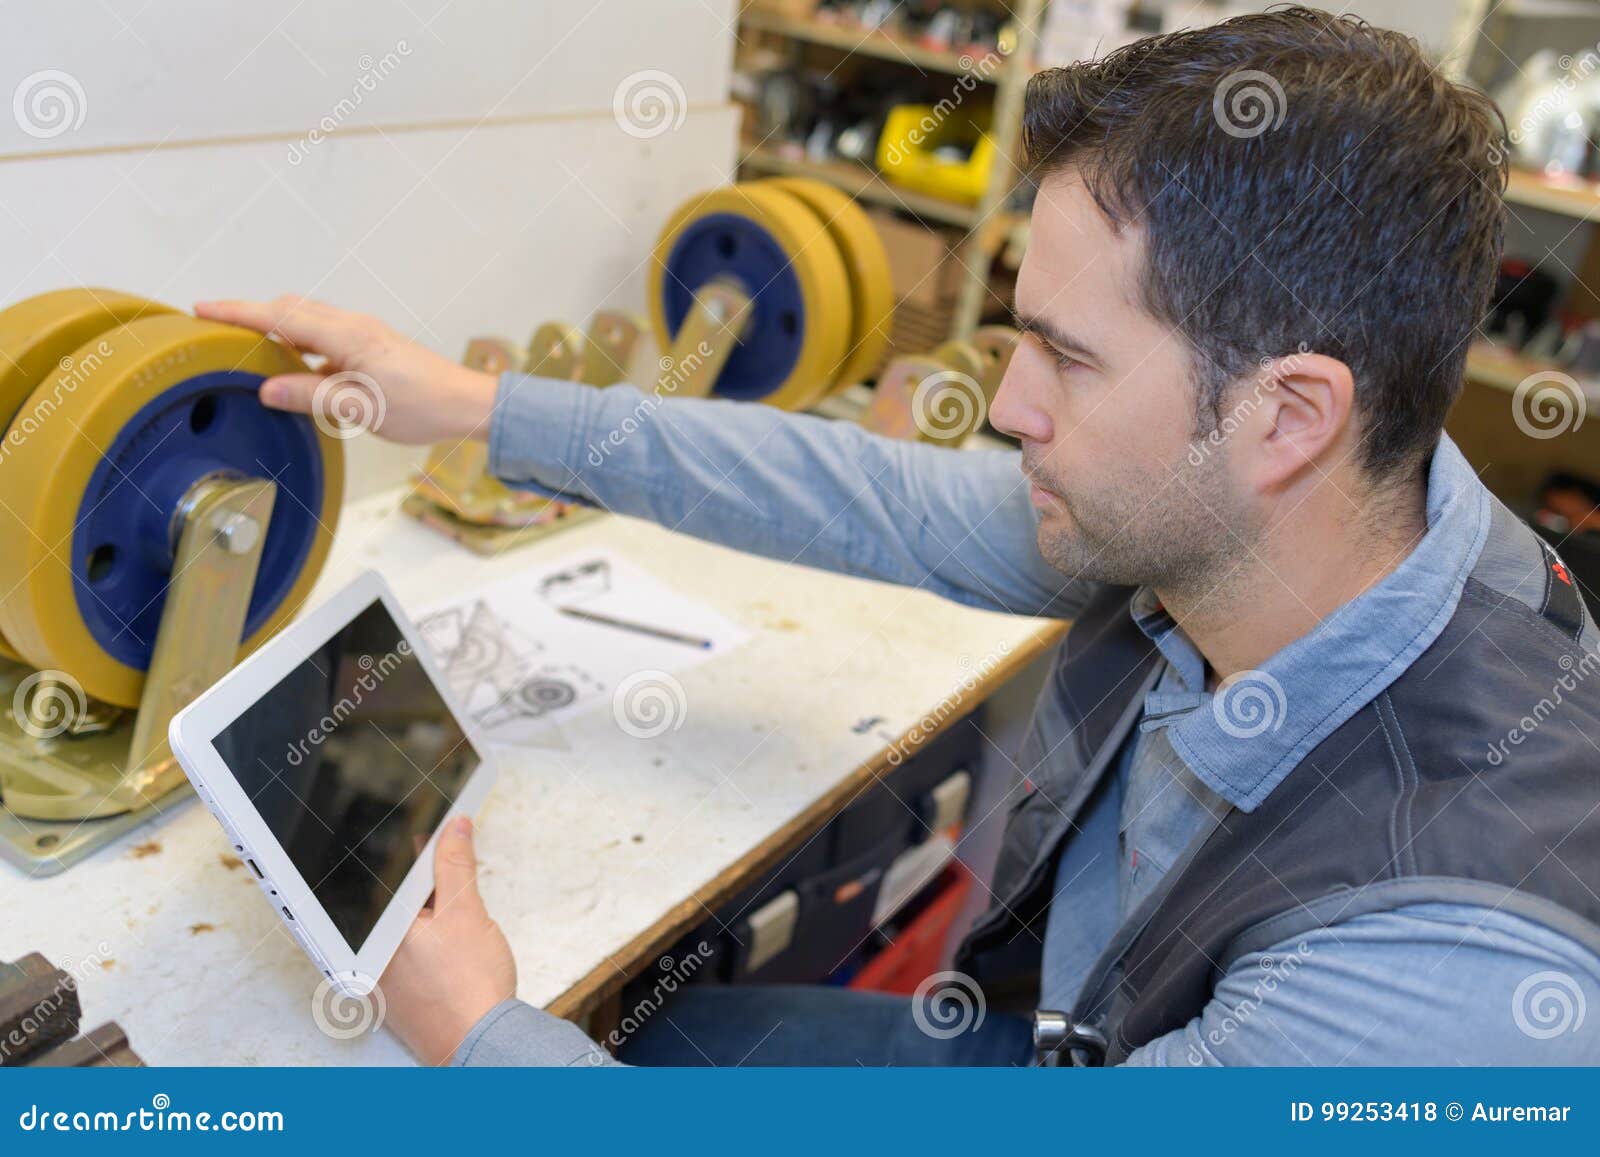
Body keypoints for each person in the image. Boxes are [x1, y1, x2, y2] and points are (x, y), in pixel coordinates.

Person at [198, 7, 1600, 1066]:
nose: (1007, 402)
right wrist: (481, 406)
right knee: (677, 1040)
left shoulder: (1428, 990)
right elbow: (876, 497)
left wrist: (483, 1034)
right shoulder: (1334, 502)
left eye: (1066, 356)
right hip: (1064, 1025)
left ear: (1290, 413)